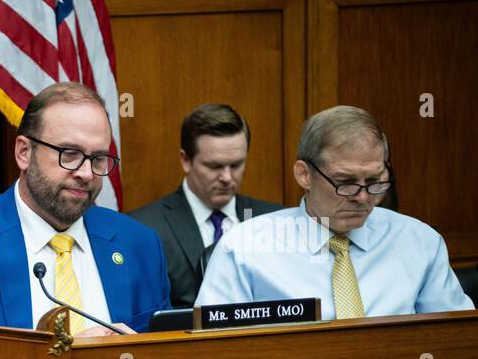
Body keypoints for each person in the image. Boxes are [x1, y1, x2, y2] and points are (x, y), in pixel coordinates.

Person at [0, 82, 170, 335]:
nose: (87, 173)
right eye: (69, 154)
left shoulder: (140, 244)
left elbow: (169, 358)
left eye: (99, 158)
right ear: (24, 152)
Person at [196, 105, 473, 317]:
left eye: (375, 181)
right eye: (345, 182)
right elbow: (215, 353)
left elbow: (454, 344)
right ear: (304, 175)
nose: (363, 197)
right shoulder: (245, 248)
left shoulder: (419, 242)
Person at [127, 104, 281, 307]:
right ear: (186, 160)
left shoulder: (274, 222)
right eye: (214, 166)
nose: (227, 177)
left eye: (236, 165)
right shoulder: (143, 228)